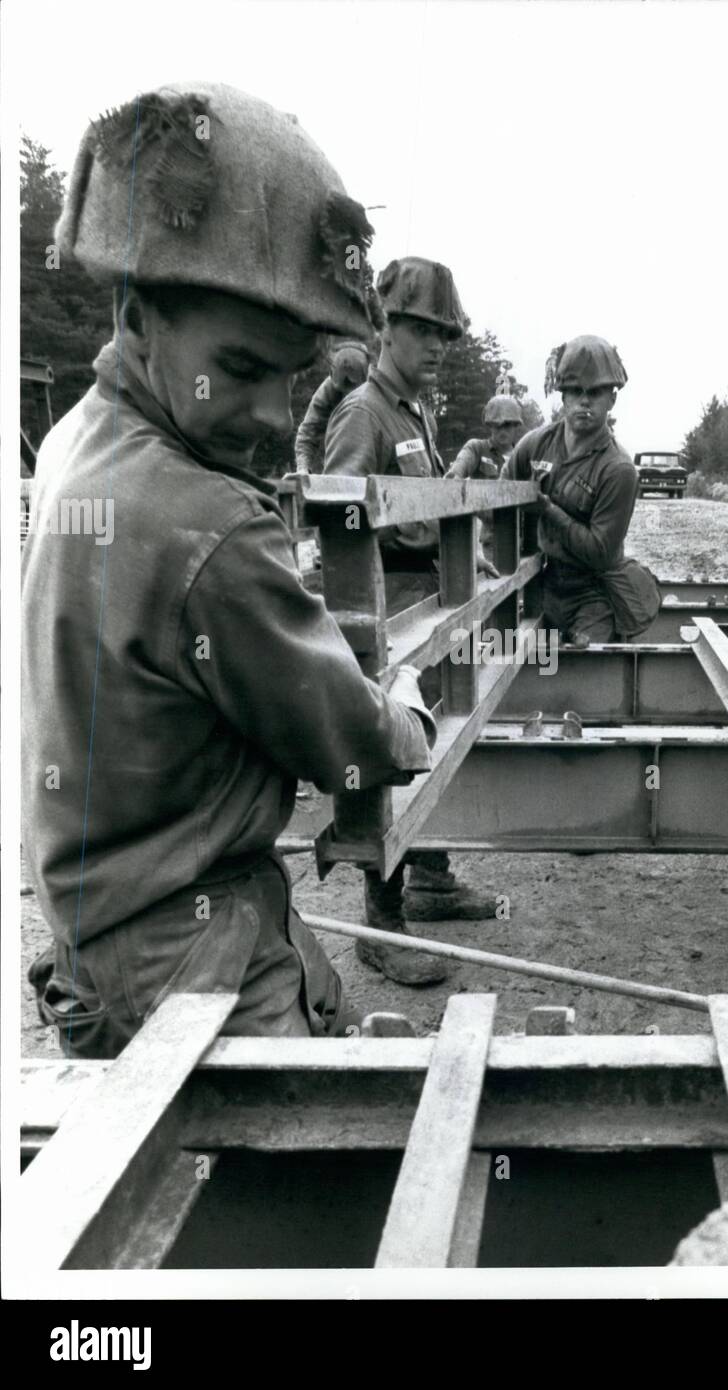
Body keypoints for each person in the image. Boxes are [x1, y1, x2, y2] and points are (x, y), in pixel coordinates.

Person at [22, 82, 438, 1059]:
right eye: (243, 369)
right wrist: (410, 703)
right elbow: (353, 740)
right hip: (192, 958)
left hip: (99, 932)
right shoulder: (203, 522)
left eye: (290, 376)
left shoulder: (78, 440)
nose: (267, 413)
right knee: (314, 1179)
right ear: (136, 315)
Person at [324, 257, 501, 986]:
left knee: (432, 740)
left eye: (445, 334)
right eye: (422, 329)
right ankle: (381, 923)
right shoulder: (362, 413)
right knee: (388, 755)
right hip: (386, 615)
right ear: (384, 328)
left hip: (429, 607)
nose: (436, 345)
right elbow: (339, 517)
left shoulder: (415, 412)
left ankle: (430, 879)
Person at [503, 335, 661, 645]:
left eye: (596, 392)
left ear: (612, 399)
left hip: (595, 593)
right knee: (525, 660)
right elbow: (497, 500)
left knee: (590, 672)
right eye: (575, 392)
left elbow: (599, 552)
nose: (584, 402)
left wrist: (547, 510)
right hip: (544, 583)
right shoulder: (536, 445)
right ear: (562, 396)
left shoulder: (618, 468)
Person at [447, 394, 526, 565]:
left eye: (507, 425)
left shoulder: (523, 455)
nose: (502, 430)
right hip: (493, 540)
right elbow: (454, 475)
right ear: (489, 425)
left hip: (523, 540)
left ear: (516, 426)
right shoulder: (477, 448)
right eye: (496, 425)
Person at [294, 339, 372, 473]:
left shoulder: (380, 389)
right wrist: (303, 467)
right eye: (343, 390)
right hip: (339, 462)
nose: (348, 396)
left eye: (353, 389)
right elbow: (308, 432)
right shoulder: (327, 392)